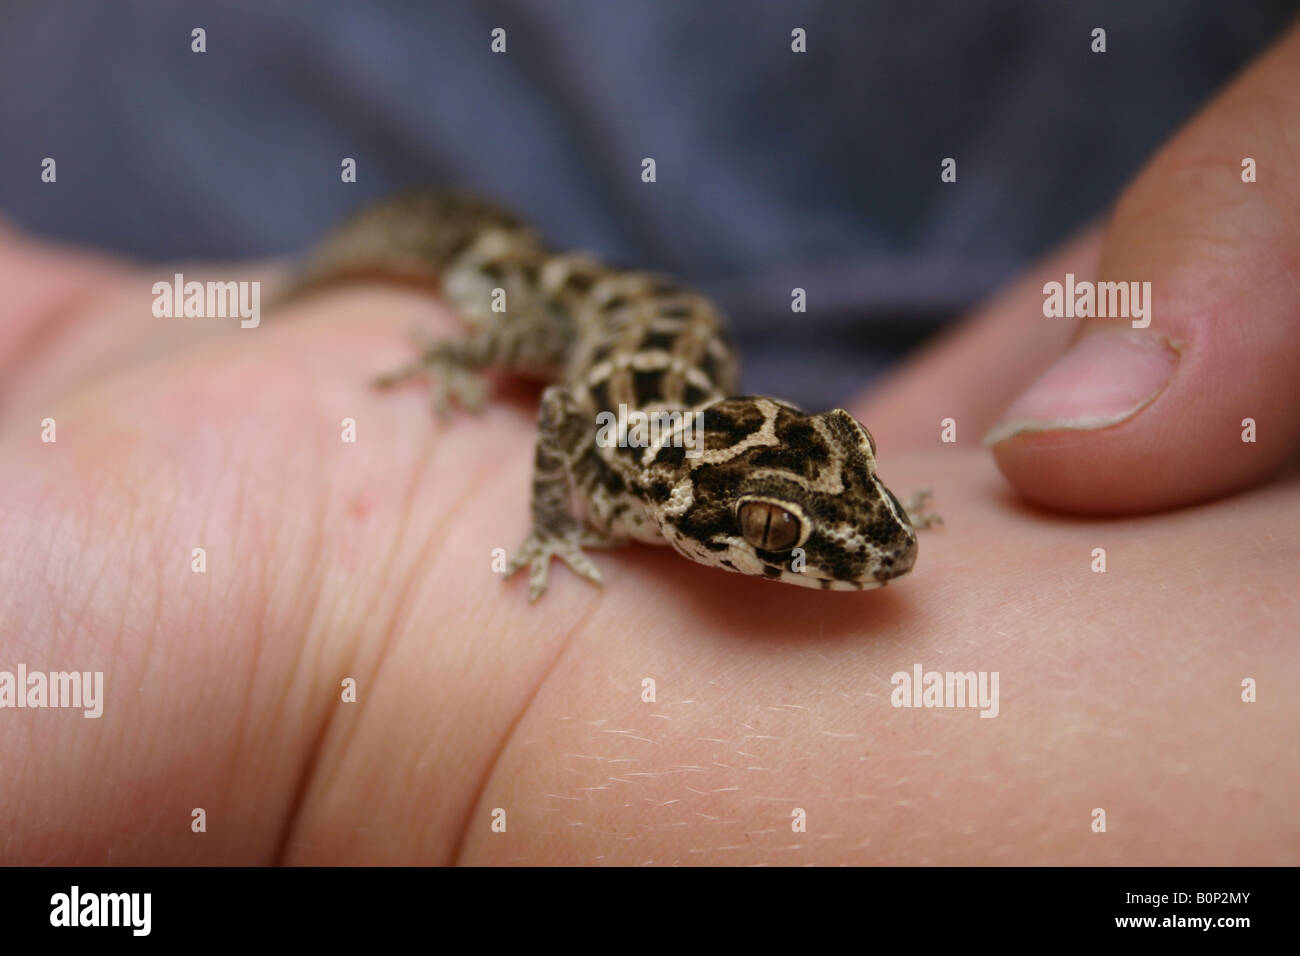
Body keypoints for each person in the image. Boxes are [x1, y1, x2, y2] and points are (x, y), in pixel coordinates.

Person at [0, 7, 1295, 864]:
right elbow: (567, 404)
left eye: (833, 506)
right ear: (695, 517)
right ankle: (452, 317)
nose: (843, 553)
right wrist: (548, 517)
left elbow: (807, 458)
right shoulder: (628, 474)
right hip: (577, 309)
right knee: (501, 316)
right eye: (790, 537)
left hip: (675, 296)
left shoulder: (755, 467)